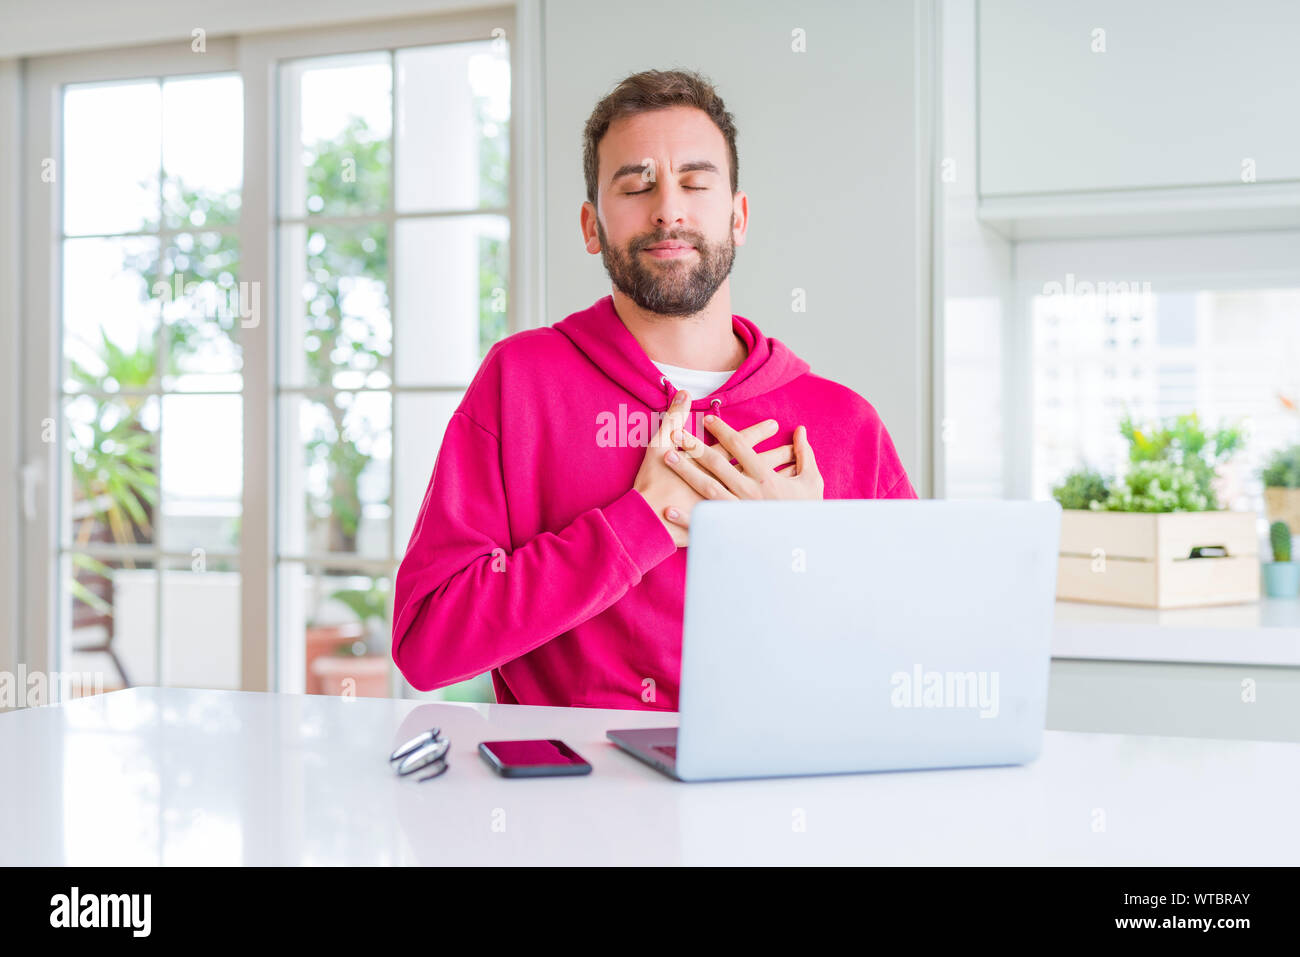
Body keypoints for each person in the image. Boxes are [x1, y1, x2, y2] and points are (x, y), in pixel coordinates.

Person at [392, 68, 916, 710]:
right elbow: (427, 644)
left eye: (696, 182)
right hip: (566, 802)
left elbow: (915, 658)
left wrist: (801, 550)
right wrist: (636, 526)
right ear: (592, 226)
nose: (669, 207)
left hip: (776, 801)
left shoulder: (845, 423)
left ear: (738, 215)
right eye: (638, 185)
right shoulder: (520, 384)